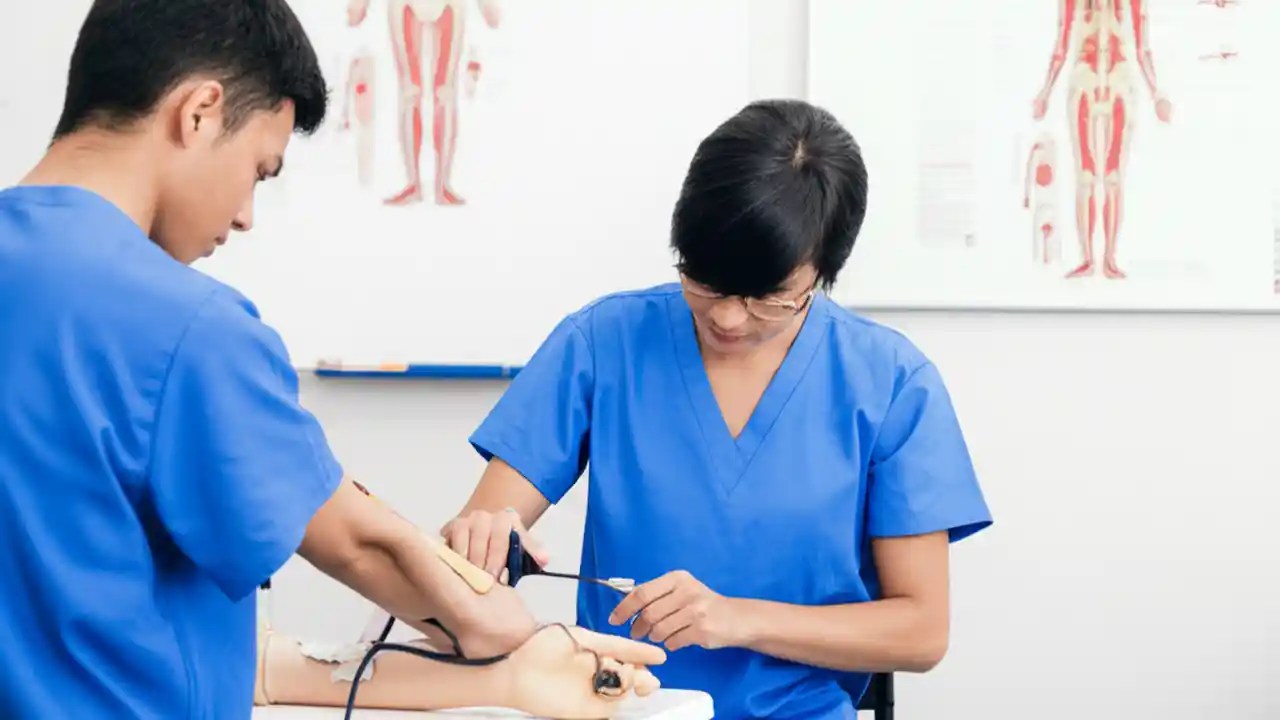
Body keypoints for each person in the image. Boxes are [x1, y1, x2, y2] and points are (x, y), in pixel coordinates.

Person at [0, 2, 535, 717]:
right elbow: (361, 546)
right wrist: (508, 623)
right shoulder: (188, 327)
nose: (248, 212)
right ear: (199, 112)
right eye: (261, 169)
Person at [440, 99, 994, 719]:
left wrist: (736, 619)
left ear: (823, 272)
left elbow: (920, 633)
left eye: (768, 297)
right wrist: (479, 543)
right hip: (620, 707)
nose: (728, 317)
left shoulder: (892, 384)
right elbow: (467, 563)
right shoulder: (602, 343)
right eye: (706, 281)